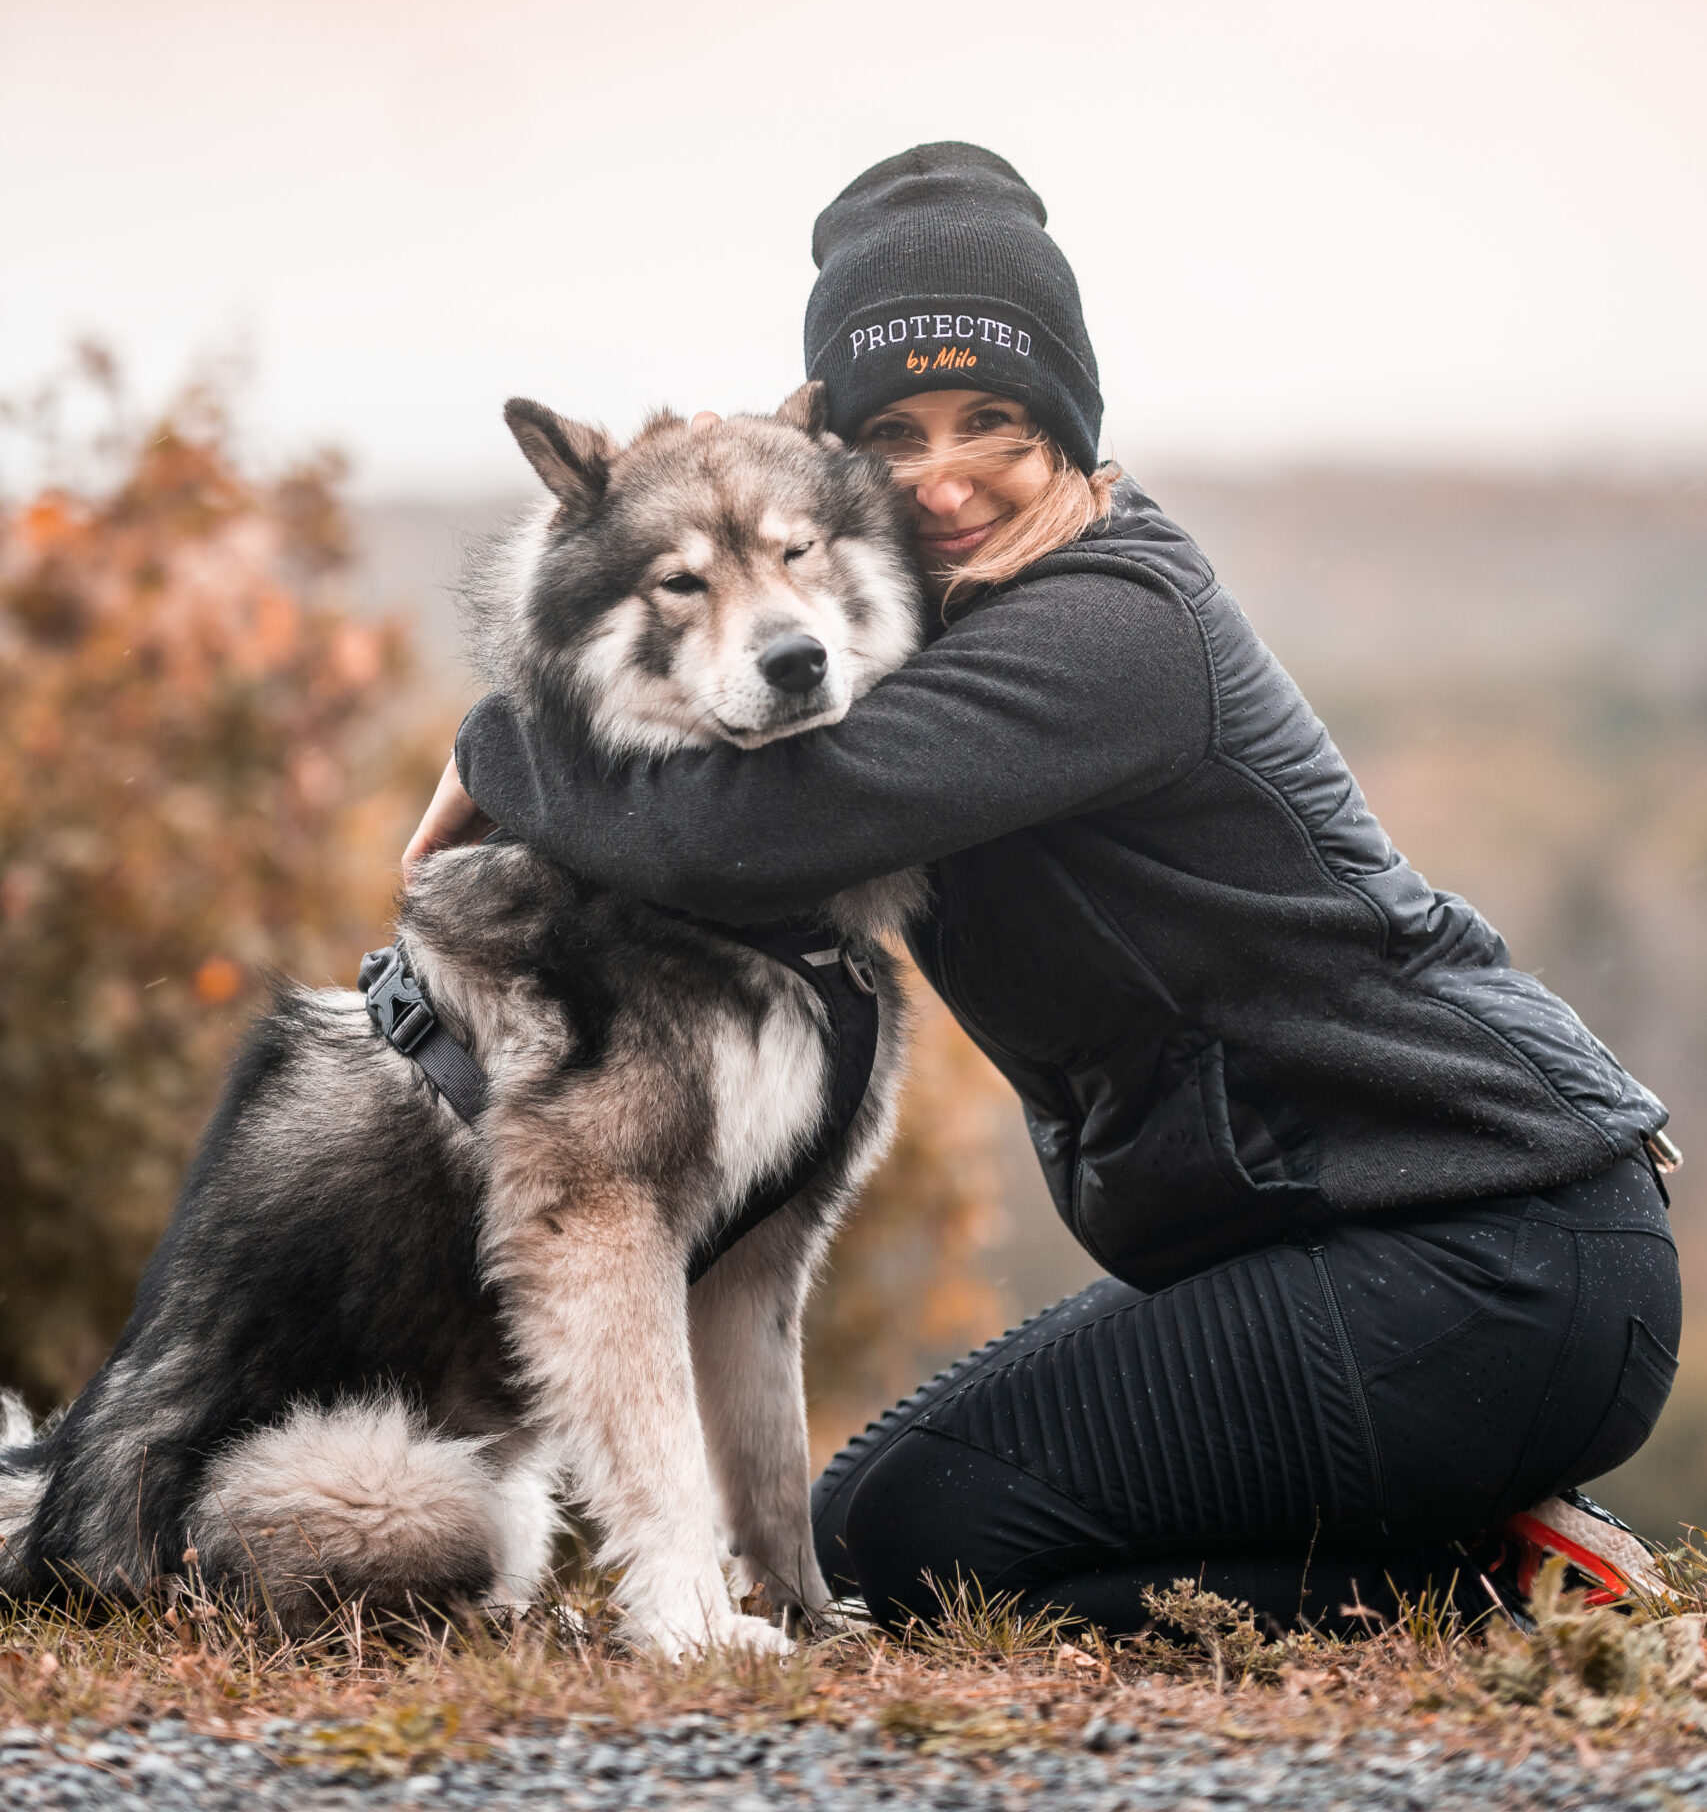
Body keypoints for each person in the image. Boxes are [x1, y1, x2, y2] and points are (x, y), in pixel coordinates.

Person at [406, 140, 1680, 1633]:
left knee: (934, 1548)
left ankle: (1492, 1584)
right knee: (871, 1529)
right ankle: (1450, 1522)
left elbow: (740, 834)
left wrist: (503, 743)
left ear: (1069, 426)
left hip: (1491, 1253)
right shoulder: (929, 629)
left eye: (994, 423)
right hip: (1325, 1253)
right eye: (896, 434)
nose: (944, 477)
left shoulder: (1109, 629)